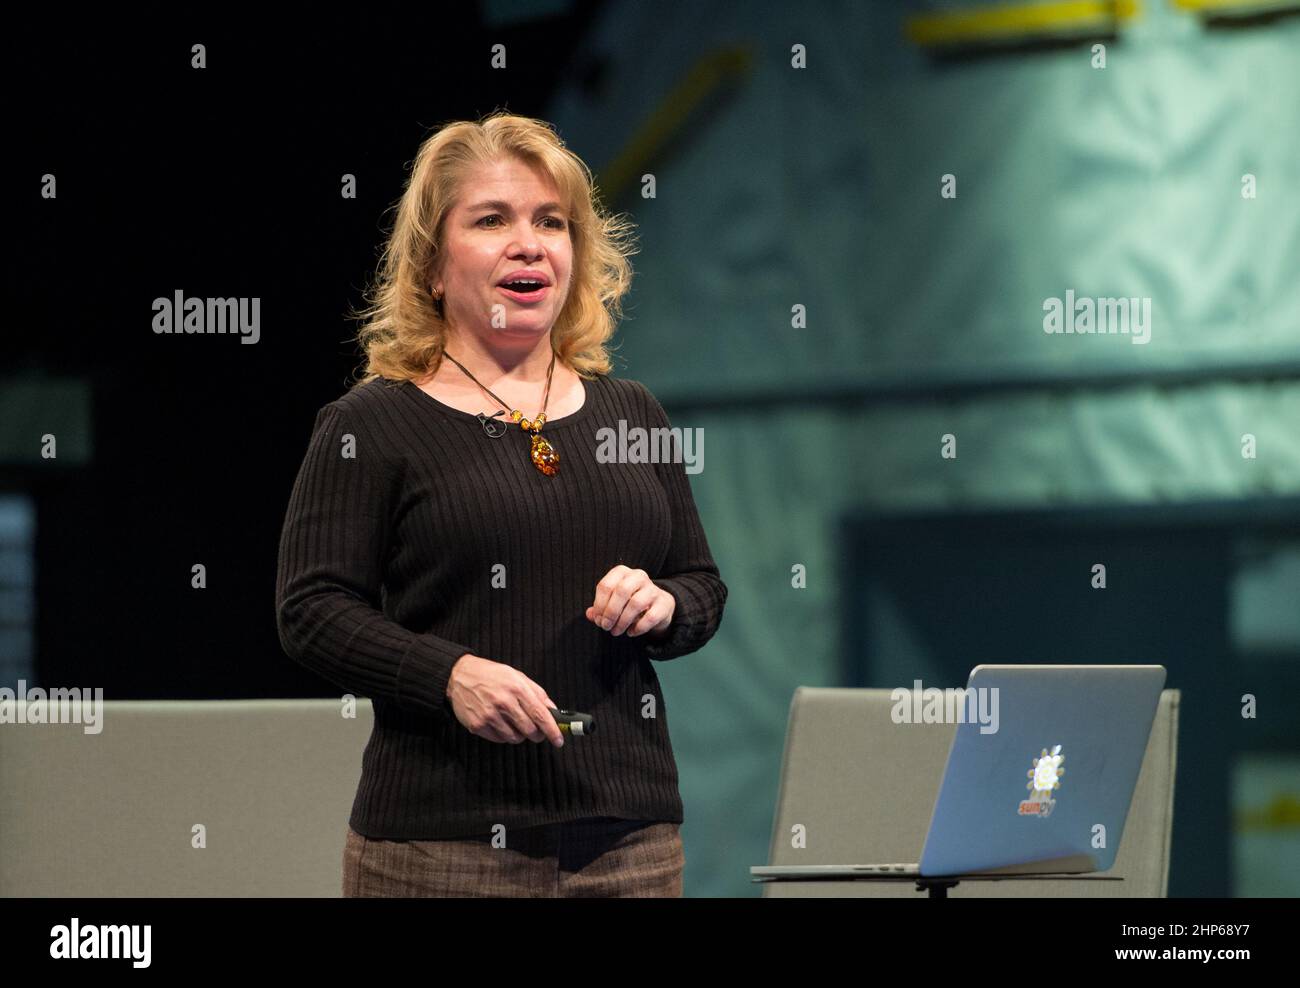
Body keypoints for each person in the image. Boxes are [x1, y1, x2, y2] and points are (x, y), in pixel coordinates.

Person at [275, 111, 728, 897]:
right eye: (492, 220)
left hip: (630, 843)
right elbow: (311, 609)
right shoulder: (373, 424)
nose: (530, 242)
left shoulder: (633, 414)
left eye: (551, 222)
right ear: (434, 265)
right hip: (442, 846)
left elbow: (702, 588)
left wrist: (661, 604)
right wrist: (448, 674)